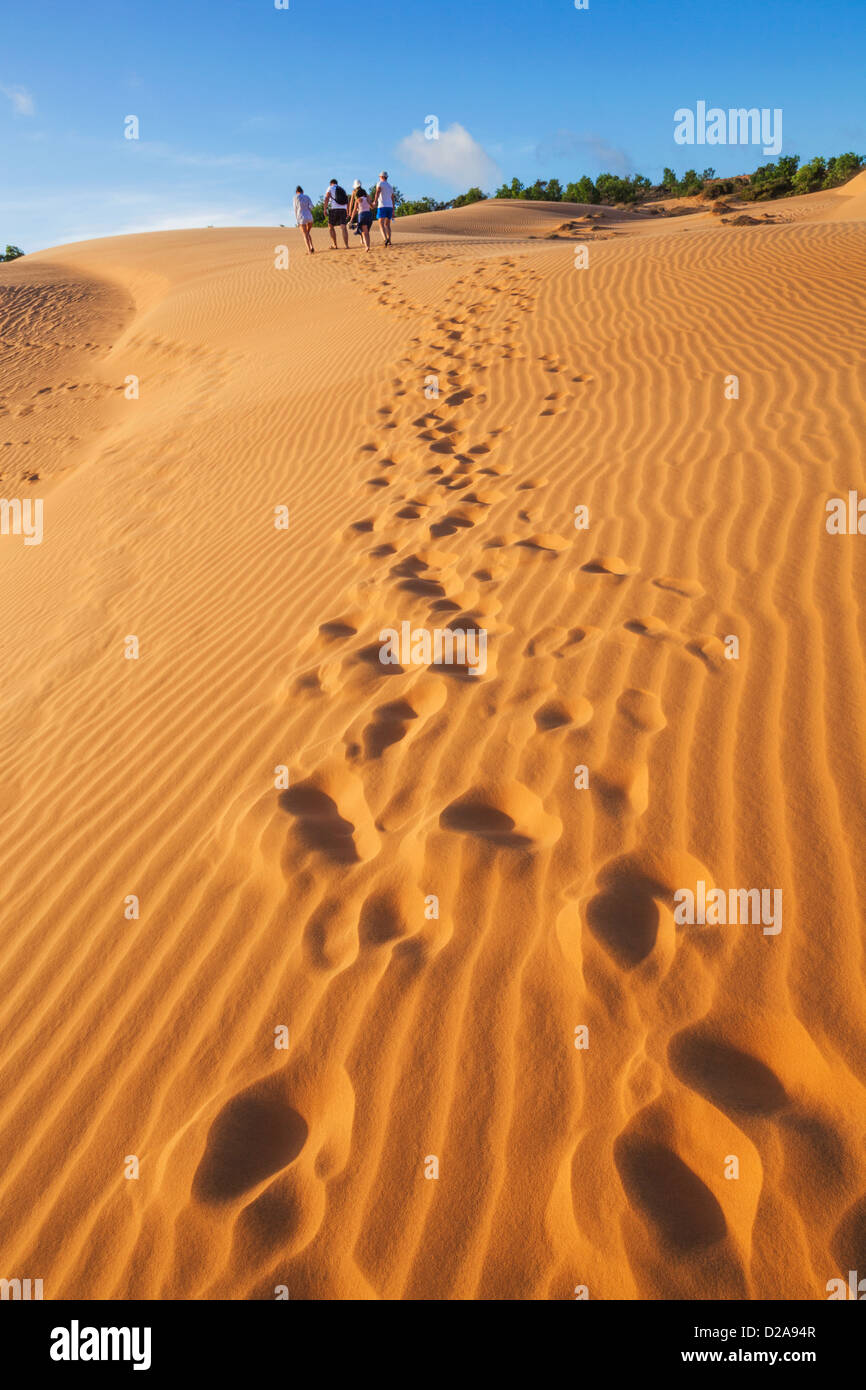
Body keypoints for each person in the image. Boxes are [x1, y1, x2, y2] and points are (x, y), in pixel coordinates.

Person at [323, 178, 349, 249]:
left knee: (330, 226)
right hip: (343, 209)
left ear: (331, 183)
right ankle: (346, 245)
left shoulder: (330, 188)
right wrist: (347, 210)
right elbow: (347, 200)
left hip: (334, 209)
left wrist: (325, 209)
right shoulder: (342, 189)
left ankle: (335, 245)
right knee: (343, 227)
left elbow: (327, 198)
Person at [348, 184, 374, 251]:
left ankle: (367, 246)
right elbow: (372, 207)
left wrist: (351, 220)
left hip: (362, 215)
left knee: (364, 232)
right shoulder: (367, 199)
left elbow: (354, 210)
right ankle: (368, 245)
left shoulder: (358, 200)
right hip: (369, 215)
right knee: (367, 232)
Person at [372, 171, 396, 246]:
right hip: (389, 206)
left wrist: (375, 201)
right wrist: (393, 210)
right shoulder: (390, 186)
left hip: (382, 206)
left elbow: (378, 192)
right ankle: (390, 241)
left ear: (381, 177)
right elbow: (392, 198)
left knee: (381, 224)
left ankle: (385, 239)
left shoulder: (380, 183)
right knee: (387, 225)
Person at [293, 185, 315, 254]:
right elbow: (312, 207)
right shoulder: (307, 196)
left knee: (305, 234)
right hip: (309, 217)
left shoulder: (295, 197)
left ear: (297, 192)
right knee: (308, 233)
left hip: (301, 217)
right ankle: (312, 247)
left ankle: (309, 250)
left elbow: (295, 209)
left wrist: (297, 219)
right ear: (303, 191)